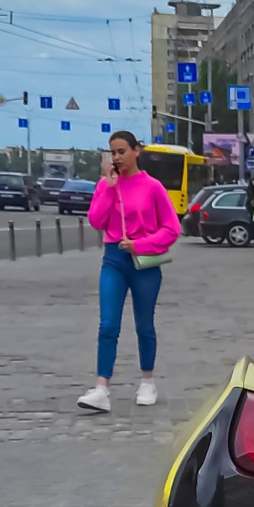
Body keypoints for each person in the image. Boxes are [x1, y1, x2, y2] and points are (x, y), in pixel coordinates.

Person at [80, 131, 179, 411]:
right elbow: (97, 221)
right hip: (113, 260)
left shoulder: (153, 187)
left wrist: (141, 244)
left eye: (122, 151)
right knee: (108, 324)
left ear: (137, 151)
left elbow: (172, 229)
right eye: (113, 153)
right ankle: (102, 388)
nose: (117, 157)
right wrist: (110, 187)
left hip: (144, 263)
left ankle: (147, 381)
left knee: (144, 325)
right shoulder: (106, 185)